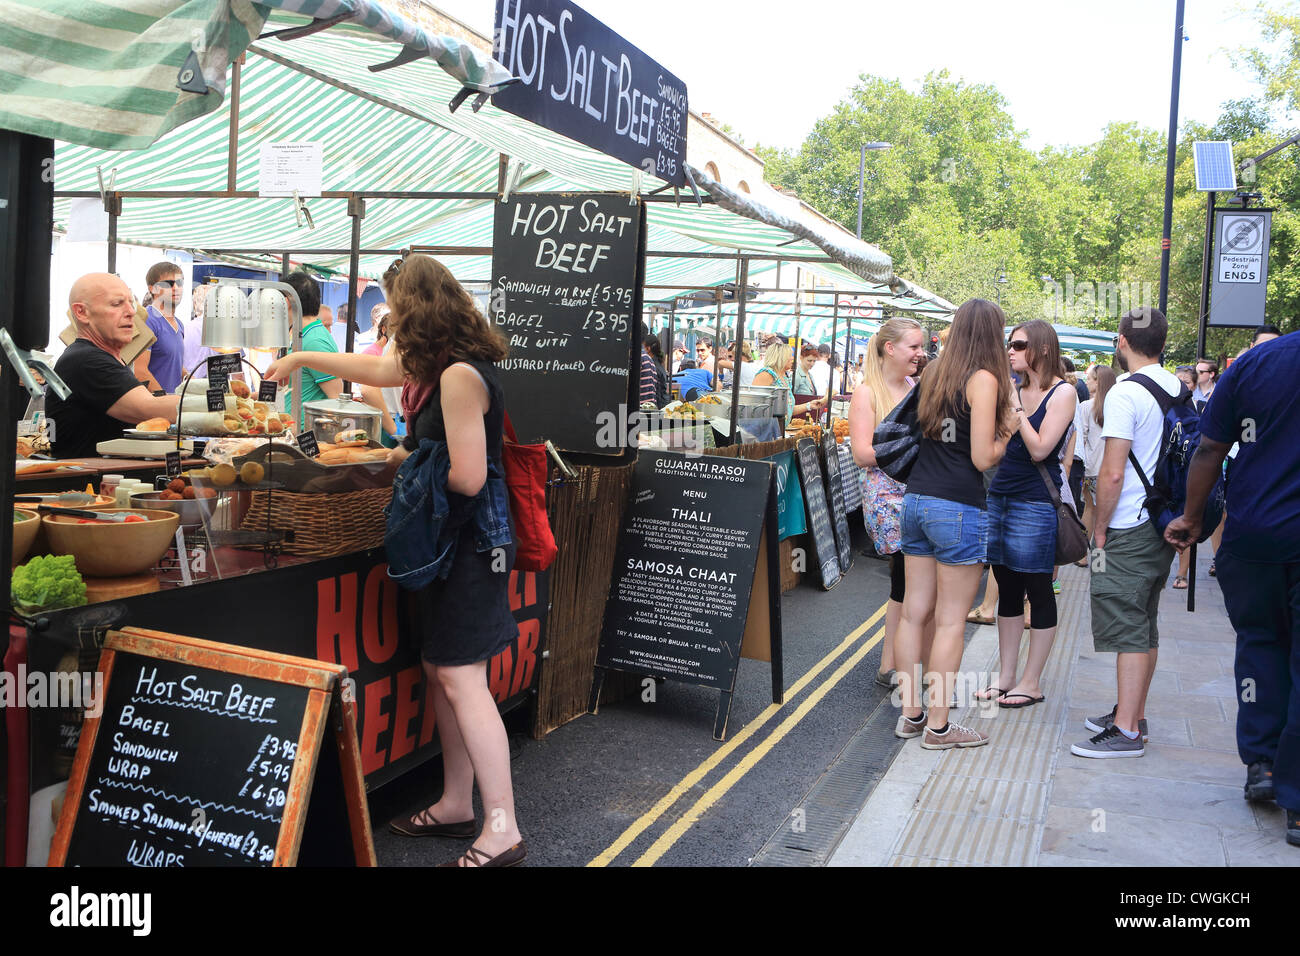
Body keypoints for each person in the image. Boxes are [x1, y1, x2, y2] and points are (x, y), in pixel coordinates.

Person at [265, 254, 526, 866]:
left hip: (467, 542)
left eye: (395, 308)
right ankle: (459, 802)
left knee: (462, 678)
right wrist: (301, 357)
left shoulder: (460, 376)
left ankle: (503, 825)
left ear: (418, 309)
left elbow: (464, 478)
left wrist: (404, 457)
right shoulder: (437, 363)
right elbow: (376, 369)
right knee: (443, 672)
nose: (388, 321)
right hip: (450, 541)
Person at [1164, 331, 1300, 846]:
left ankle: (1263, 763)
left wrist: (1193, 519)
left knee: (1262, 644)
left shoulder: (1258, 363)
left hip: (1256, 535)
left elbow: (1210, 449)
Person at [895, 299, 1013, 749]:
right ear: (991, 334)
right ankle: (939, 727)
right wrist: (1009, 428)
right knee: (949, 623)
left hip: (916, 501)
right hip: (958, 506)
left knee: (913, 613)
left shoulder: (934, 372)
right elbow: (984, 458)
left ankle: (911, 715)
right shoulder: (983, 380)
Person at [1071, 308, 1180, 759]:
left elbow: (1112, 474)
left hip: (1130, 523)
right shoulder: (1177, 386)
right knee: (1146, 621)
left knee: (1129, 625)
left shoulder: (1124, 394)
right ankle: (1132, 714)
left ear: (1121, 341)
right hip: (1160, 522)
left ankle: (1126, 732)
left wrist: (1098, 530)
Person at [978, 320, 1077, 707]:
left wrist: (1016, 407)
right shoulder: (1013, 390)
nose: (1010, 351)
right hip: (1001, 495)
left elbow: (1040, 449)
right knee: (1006, 586)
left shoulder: (1063, 392)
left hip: (1036, 501)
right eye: (1009, 344)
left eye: (1019, 345)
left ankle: (1031, 681)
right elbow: (997, 443)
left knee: (1038, 588)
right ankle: (1006, 677)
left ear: (1042, 349)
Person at [847, 318, 932, 689]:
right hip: (886, 496)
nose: (921, 353)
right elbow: (862, 454)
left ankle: (895, 662)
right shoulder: (867, 393)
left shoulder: (916, 386)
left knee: (914, 583)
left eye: (922, 346)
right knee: (905, 579)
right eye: (914, 346)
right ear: (890, 348)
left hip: (917, 491)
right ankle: (892, 664)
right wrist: (911, 447)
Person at [47, 273, 180, 458]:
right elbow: (148, 409)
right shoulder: (85, 360)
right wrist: (221, 403)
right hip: (87, 484)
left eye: (130, 302)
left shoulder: (106, 357)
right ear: (81, 312)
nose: (131, 312)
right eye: (116, 304)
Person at [283, 271, 342, 426]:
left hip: (307, 435)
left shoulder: (315, 341)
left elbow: (336, 397)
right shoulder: (303, 336)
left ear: (288, 301)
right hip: (293, 431)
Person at [1074, 364, 1116, 566]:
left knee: (1089, 512)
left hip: (1091, 469)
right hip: (1113, 469)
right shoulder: (1119, 405)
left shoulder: (1085, 407)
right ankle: (1101, 562)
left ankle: (1083, 557)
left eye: (1090, 378)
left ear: (1098, 381)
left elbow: (1080, 441)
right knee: (1105, 517)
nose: (1086, 380)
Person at [138, 261, 187, 394]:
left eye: (180, 283)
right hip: (155, 409)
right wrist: (165, 400)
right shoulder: (147, 320)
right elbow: (139, 370)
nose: (176, 288)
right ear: (152, 288)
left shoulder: (179, 324)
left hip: (173, 407)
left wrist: (191, 381)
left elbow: (173, 364)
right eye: (169, 284)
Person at [752, 343, 826, 420]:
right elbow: (754, 405)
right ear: (780, 357)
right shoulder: (766, 374)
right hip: (767, 429)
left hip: (780, 428)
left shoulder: (784, 377)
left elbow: (789, 409)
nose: (792, 358)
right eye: (789, 355)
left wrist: (809, 405)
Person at [640, 336, 669, 407]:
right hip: (661, 404)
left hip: (658, 405)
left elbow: (657, 391)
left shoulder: (650, 364)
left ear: (648, 349)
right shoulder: (657, 364)